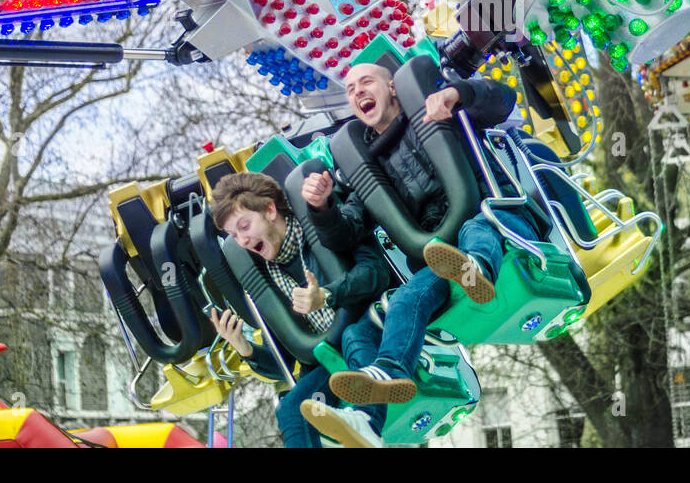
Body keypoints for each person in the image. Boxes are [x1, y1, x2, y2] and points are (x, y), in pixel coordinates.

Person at [297, 61, 537, 439]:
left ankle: (476, 270)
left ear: (392, 87)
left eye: (365, 82)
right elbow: (347, 234)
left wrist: (457, 94)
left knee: (476, 228)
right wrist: (323, 208)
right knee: (407, 298)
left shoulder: (437, 110)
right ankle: (378, 400)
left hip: (501, 221)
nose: (357, 91)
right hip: (443, 261)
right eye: (349, 89)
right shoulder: (367, 171)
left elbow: (504, 100)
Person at [207, 171, 389, 448]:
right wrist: (244, 348)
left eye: (244, 227)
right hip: (329, 361)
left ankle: (368, 422)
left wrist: (328, 295)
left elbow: (375, 272)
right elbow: (286, 364)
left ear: (269, 210)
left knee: (354, 337)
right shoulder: (265, 278)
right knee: (292, 408)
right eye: (233, 234)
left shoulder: (324, 228)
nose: (242, 241)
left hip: (370, 327)